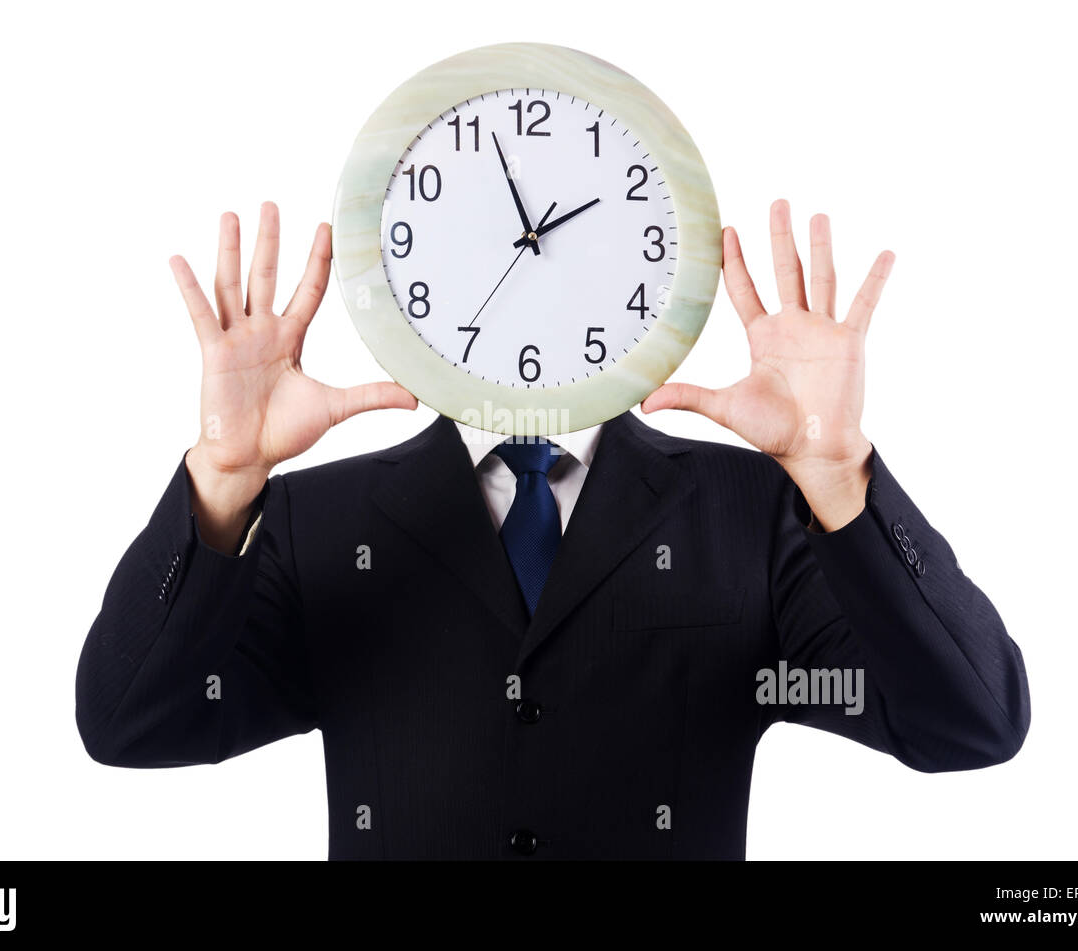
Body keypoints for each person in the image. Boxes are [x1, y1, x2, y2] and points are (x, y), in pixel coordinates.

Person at [75, 200, 1029, 860]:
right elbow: (131, 723)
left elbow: (970, 721)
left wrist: (839, 476)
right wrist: (222, 483)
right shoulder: (313, 521)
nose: (532, 265)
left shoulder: (754, 512)